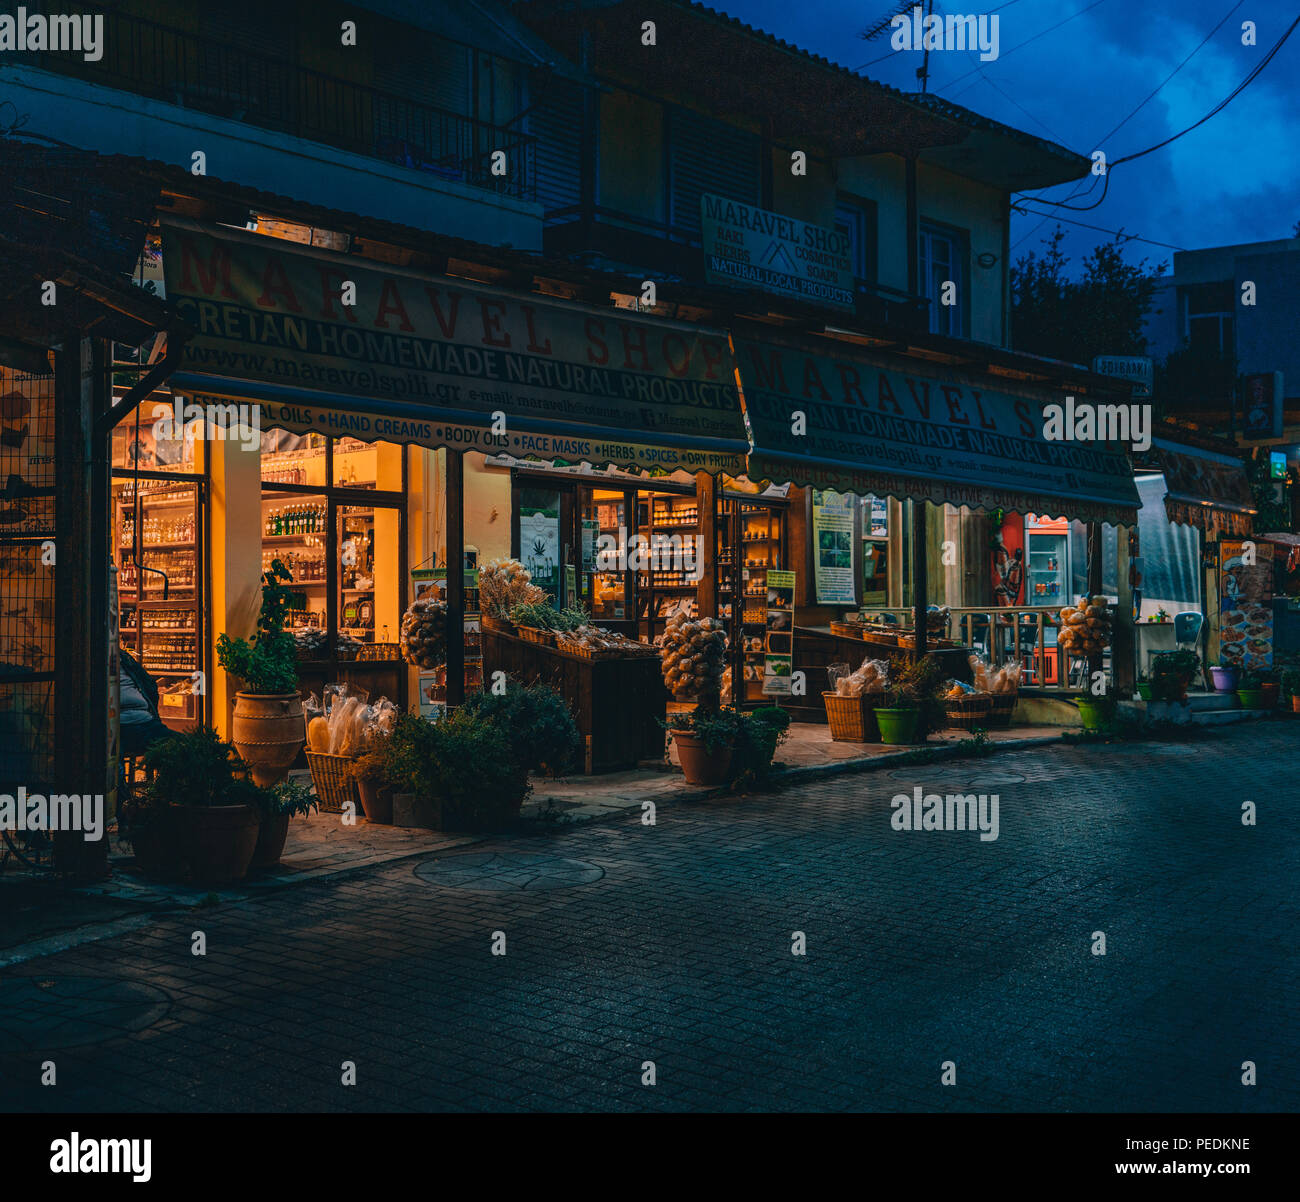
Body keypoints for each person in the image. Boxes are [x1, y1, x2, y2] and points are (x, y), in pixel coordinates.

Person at [119, 648, 171, 758]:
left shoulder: (124, 657)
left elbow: (149, 684)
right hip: (119, 728)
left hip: (146, 722)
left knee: (188, 746)